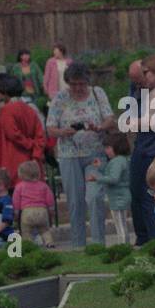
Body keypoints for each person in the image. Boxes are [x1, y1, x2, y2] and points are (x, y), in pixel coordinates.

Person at [47, 63, 114, 247]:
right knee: (75, 201)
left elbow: (109, 118)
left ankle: (99, 243)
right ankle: (78, 245)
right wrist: (63, 132)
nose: (78, 88)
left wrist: (99, 127)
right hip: (69, 155)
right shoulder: (60, 98)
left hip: (95, 153)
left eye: (81, 84)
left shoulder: (97, 93)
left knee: (94, 197)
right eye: (73, 84)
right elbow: (50, 128)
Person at [124, 54, 155, 245]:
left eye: (145, 73)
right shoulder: (152, 91)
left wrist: (131, 123)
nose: (143, 78)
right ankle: (148, 238)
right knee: (144, 195)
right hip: (147, 148)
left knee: (148, 195)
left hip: (152, 149)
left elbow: (154, 122)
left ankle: (153, 240)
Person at [0, 73, 46, 185]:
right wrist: (35, 152)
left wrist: (30, 144)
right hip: (31, 163)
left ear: (4, 90)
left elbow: (13, 134)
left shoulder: (6, 110)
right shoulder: (29, 108)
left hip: (13, 163)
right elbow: (40, 134)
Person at [13, 159, 56, 248]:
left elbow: (16, 200)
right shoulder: (43, 185)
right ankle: (49, 242)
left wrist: (16, 212)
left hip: (27, 212)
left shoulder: (19, 186)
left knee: (26, 231)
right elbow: (50, 199)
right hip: (42, 211)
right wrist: (51, 210)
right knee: (44, 230)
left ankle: (29, 245)